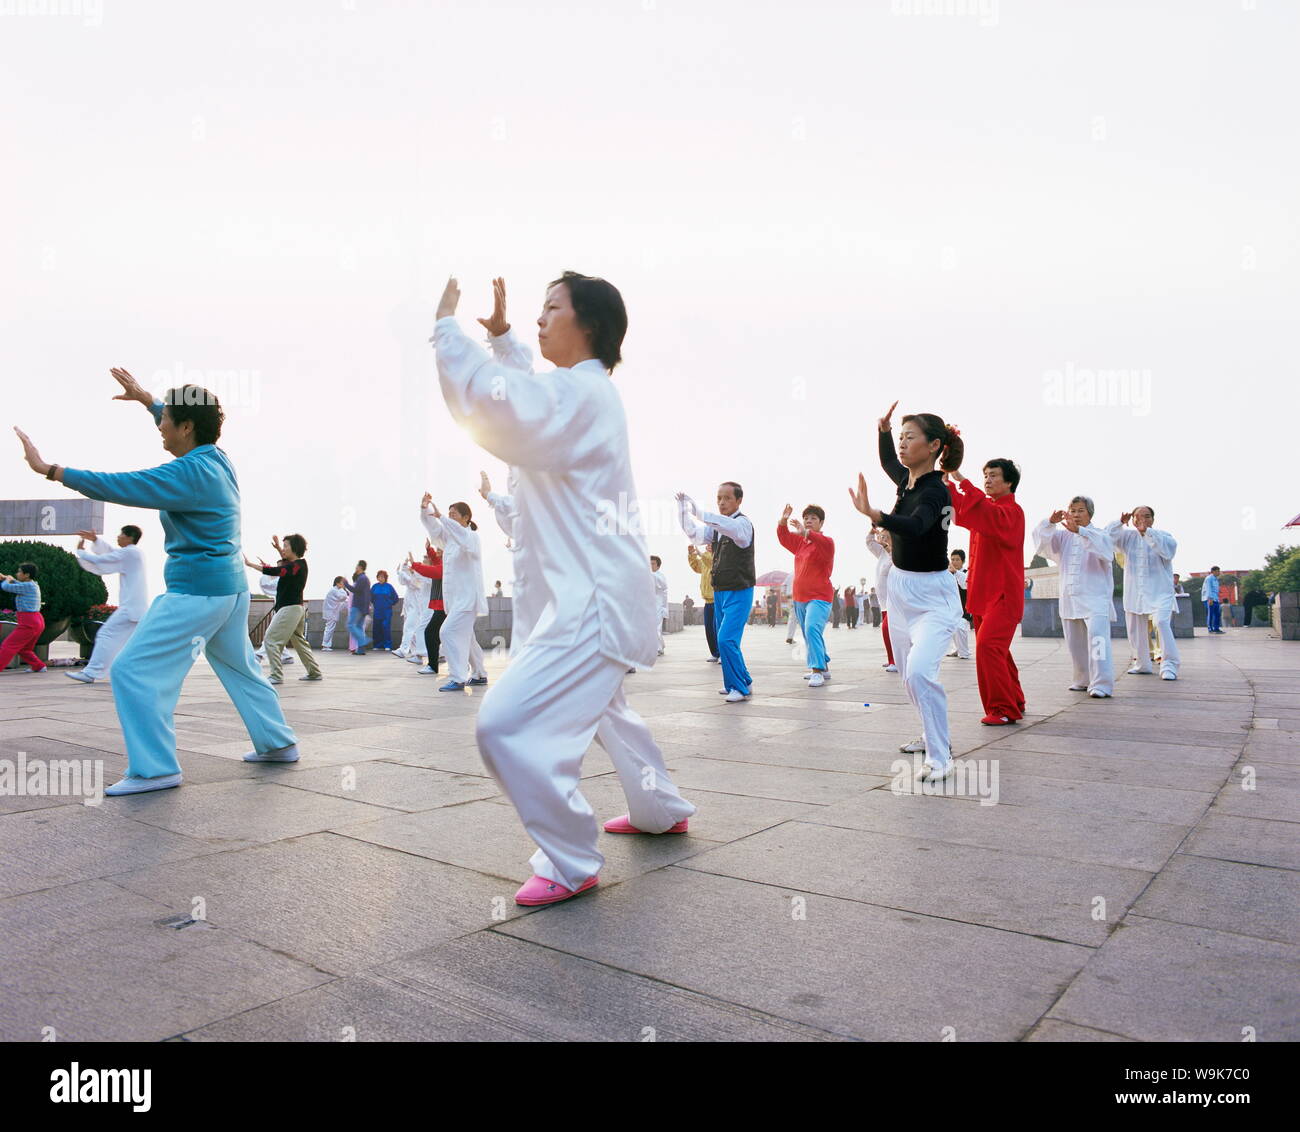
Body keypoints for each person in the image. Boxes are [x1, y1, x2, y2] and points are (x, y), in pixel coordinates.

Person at [433, 271, 694, 906]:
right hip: (587, 593)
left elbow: (509, 407)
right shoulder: (585, 391)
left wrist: (447, 331)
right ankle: (661, 810)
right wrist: (503, 340)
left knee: (503, 726)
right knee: (610, 712)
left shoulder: (581, 397)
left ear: (591, 326)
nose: (540, 318)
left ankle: (570, 856)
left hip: (592, 601)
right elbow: (533, 392)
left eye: (552, 308)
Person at [15, 369, 300, 794]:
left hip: (198, 591)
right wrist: (147, 400)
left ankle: (155, 769)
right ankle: (278, 744)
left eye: (167, 419)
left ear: (186, 426)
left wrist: (51, 470)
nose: (160, 425)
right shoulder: (214, 457)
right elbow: (176, 425)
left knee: (132, 670)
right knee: (241, 669)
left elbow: (125, 485)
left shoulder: (189, 474)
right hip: (229, 588)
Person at [851, 402, 963, 781]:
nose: (902, 444)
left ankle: (940, 756)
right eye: (900, 438)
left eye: (909, 438)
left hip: (934, 596)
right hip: (900, 590)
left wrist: (877, 515)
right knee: (907, 674)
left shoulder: (936, 493)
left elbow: (916, 527)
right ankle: (932, 736)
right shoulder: (908, 480)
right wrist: (882, 430)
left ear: (933, 446)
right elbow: (888, 463)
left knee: (919, 672)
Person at [946, 459, 1027, 724]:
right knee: (998, 650)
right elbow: (962, 509)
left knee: (989, 647)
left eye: (994, 476)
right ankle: (1015, 698)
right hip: (982, 596)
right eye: (985, 476)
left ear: (1009, 482)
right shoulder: (987, 509)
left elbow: (983, 512)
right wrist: (945, 481)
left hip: (1004, 596)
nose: (988, 480)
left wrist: (962, 480)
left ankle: (1003, 710)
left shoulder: (1012, 512)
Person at [678, 482, 756, 702]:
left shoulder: (742, 524)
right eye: (719, 498)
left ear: (739, 500)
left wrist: (700, 512)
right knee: (728, 640)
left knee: (725, 639)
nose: (722, 502)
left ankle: (737, 688)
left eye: (727, 498)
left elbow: (725, 525)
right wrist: (683, 511)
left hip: (739, 591)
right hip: (720, 591)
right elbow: (693, 533)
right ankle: (743, 680)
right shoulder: (717, 529)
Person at [1034, 496, 1116, 698]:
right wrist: (1050, 522)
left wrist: (1080, 531)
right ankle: (1082, 679)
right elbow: (1041, 542)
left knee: (1098, 640)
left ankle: (1102, 683)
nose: (1076, 515)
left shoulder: (1100, 534)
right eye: (1073, 510)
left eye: (1080, 510)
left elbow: (1106, 553)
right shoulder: (1063, 536)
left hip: (1095, 598)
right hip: (1070, 596)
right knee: (1075, 643)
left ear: (1089, 513)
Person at [421, 496, 489, 690]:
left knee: (448, 631)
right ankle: (479, 674)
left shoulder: (471, 538)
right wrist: (425, 511)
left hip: (468, 599)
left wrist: (442, 517)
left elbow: (460, 535)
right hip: (455, 601)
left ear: (466, 518)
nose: (450, 518)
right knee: (467, 638)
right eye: (449, 514)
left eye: (454, 515)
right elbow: (435, 530)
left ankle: (458, 677)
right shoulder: (450, 541)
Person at [67, 525, 148, 684]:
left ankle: (91, 672)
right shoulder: (133, 553)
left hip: (130, 608)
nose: (118, 537)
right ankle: (129, 673)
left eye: (121, 534)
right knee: (127, 644)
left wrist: (80, 551)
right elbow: (112, 553)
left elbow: (101, 560)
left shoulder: (130, 552)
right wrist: (96, 540)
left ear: (130, 537)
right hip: (136, 608)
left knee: (106, 635)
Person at [1106, 506, 1180, 680]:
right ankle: (1142, 663)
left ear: (1153, 519)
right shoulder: (1127, 537)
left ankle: (1169, 664)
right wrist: (1119, 523)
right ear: (1132, 520)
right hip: (1135, 591)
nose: (1142, 520)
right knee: (1135, 628)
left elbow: (1167, 552)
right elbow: (1106, 538)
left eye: (1146, 516)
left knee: (1162, 623)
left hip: (1160, 591)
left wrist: (1147, 532)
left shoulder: (1164, 536)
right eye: (1137, 517)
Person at [244, 533, 322, 685]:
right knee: (299, 641)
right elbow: (286, 564)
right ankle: (314, 672)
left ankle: (276, 675)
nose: (284, 549)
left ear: (295, 548)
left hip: (290, 608)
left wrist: (251, 564)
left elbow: (277, 570)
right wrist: (279, 547)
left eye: (287, 546)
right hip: (296, 608)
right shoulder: (298, 565)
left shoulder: (297, 566)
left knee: (271, 639)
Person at [776, 503, 835, 687]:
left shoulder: (827, 543)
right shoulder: (800, 543)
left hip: (820, 597)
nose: (809, 521)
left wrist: (806, 533)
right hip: (800, 597)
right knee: (810, 633)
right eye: (806, 518)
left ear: (821, 522)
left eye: (813, 518)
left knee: (811, 629)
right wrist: (783, 520)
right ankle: (823, 666)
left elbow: (821, 542)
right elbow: (783, 537)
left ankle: (816, 670)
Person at [0, 563, 45, 673]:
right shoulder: (32, 584)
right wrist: (7, 578)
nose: (17, 573)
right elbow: (18, 584)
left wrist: (8, 580)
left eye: (19, 572)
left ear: (27, 575)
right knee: (25, 649)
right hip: (36, 620)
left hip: (29, 622)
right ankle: (39, 666)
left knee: (8, 645)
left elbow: (5, 587)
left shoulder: (27, 586)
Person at [410, 544, 447, 674]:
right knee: (436, 635)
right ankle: (435, 663)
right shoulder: (443, 562)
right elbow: (436, 562)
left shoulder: (447, 565)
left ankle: (433, 665)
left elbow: (434, 571)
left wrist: (415, 565)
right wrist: (429, 550)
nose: (437, 550)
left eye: (439, 548)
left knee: (431, 633)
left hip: (445, 606)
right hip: (440, 605)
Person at [866, 529, 896, 670]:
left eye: (886, 537)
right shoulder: (881, 554)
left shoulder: (896, 553)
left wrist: (885, 546)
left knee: (887, 629)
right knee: (888, 632)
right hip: (883, 602)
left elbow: (895, 560)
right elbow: (869, 543)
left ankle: (895, 661)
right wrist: (872, 532)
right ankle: (891, 659)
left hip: (894, 600)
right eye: (881, 536)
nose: (882, 539)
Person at [394, 553, 433, 662]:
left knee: (411, 627)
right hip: (411, 605)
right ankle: (416, 652)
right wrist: (403, 569)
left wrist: (408, 571)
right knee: (414, 629)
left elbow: (415, 583)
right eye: (423, 557)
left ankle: (404, 650)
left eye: (426, 557)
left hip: (420, 605)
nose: (424, 558)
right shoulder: (420, 572)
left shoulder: (427, 573)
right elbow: (404, 581)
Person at [686, 543, 720, 662]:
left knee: (718, 628)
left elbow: (710, 562)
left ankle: (722, 654)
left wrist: (700, 554)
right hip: (707, 600)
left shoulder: (719, 557)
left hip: (718, 600)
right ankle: (714, 653)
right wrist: (691, 555)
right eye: (708, 544)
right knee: (709, 629)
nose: (709, 546)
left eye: (712, 544)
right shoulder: (705, 558)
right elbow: (696, 567)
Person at [946, 549, 972, 659]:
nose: (954, 562)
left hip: (966, 609)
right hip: (951, 608)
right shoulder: (947, 574)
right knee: (951, 628)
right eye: (952, 560)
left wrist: (955, 573)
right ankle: (956, 649)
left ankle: (964, 652)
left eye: (957, 559)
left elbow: (965, 584)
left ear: (963, 561)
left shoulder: (966, 573)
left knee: (960, 626)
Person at [343, 562, 371, 654]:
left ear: (360, 567)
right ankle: (361, 650)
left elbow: (355, 590)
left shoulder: (362, 578)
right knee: (359, 627)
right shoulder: (364, 578)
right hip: (363, 606)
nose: (355, 568)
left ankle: (363, 640)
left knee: (350, 625)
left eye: (357, 566)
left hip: (358, 606)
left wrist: (346, 584)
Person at [370, 570, 399, 651]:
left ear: (385, 578)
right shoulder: (374, 586)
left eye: (382, 577)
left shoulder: (389, 587)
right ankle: (377, 645)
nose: (381, 578)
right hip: (377, 610)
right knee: (376, 627)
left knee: (386, 627)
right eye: (379, 576)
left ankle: (387, 645)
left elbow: (396, 598)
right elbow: (370, 597)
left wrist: (390, 603)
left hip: (387, 611)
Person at [321, 576, 350, 651]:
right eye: (342, 583)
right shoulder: (334, 590)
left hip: (332, 611)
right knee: (329, 628)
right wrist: (346, 591)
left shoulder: (337, 590)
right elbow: (342, 597)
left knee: (330, 628)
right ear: (337, 583)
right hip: (331, 612)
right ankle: (325, 645)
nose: (343, 584)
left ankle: (326, 645)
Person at [650, 555, 668, 655]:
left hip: (659, 606)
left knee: (656, 627)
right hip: (649, 606)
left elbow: (662, 585)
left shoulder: (659, 576)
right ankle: (660, 645)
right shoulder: (650, 575)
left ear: (658, 566)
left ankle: (658, 648)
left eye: (653, 564)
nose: (650, 566)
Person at [1202, 566, 1224, 633]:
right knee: (1210, 614)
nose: (1219, 572)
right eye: (1217, 571)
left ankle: (1216, 628)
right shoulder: (1209, 578)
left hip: (1215, 599)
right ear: (1213, 571)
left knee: (1217, 614)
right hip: (1209, 599)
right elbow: (1208, 589)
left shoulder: (1215, 579)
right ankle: (1210, 628)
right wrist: (1210, 598)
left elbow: (1215, 590)